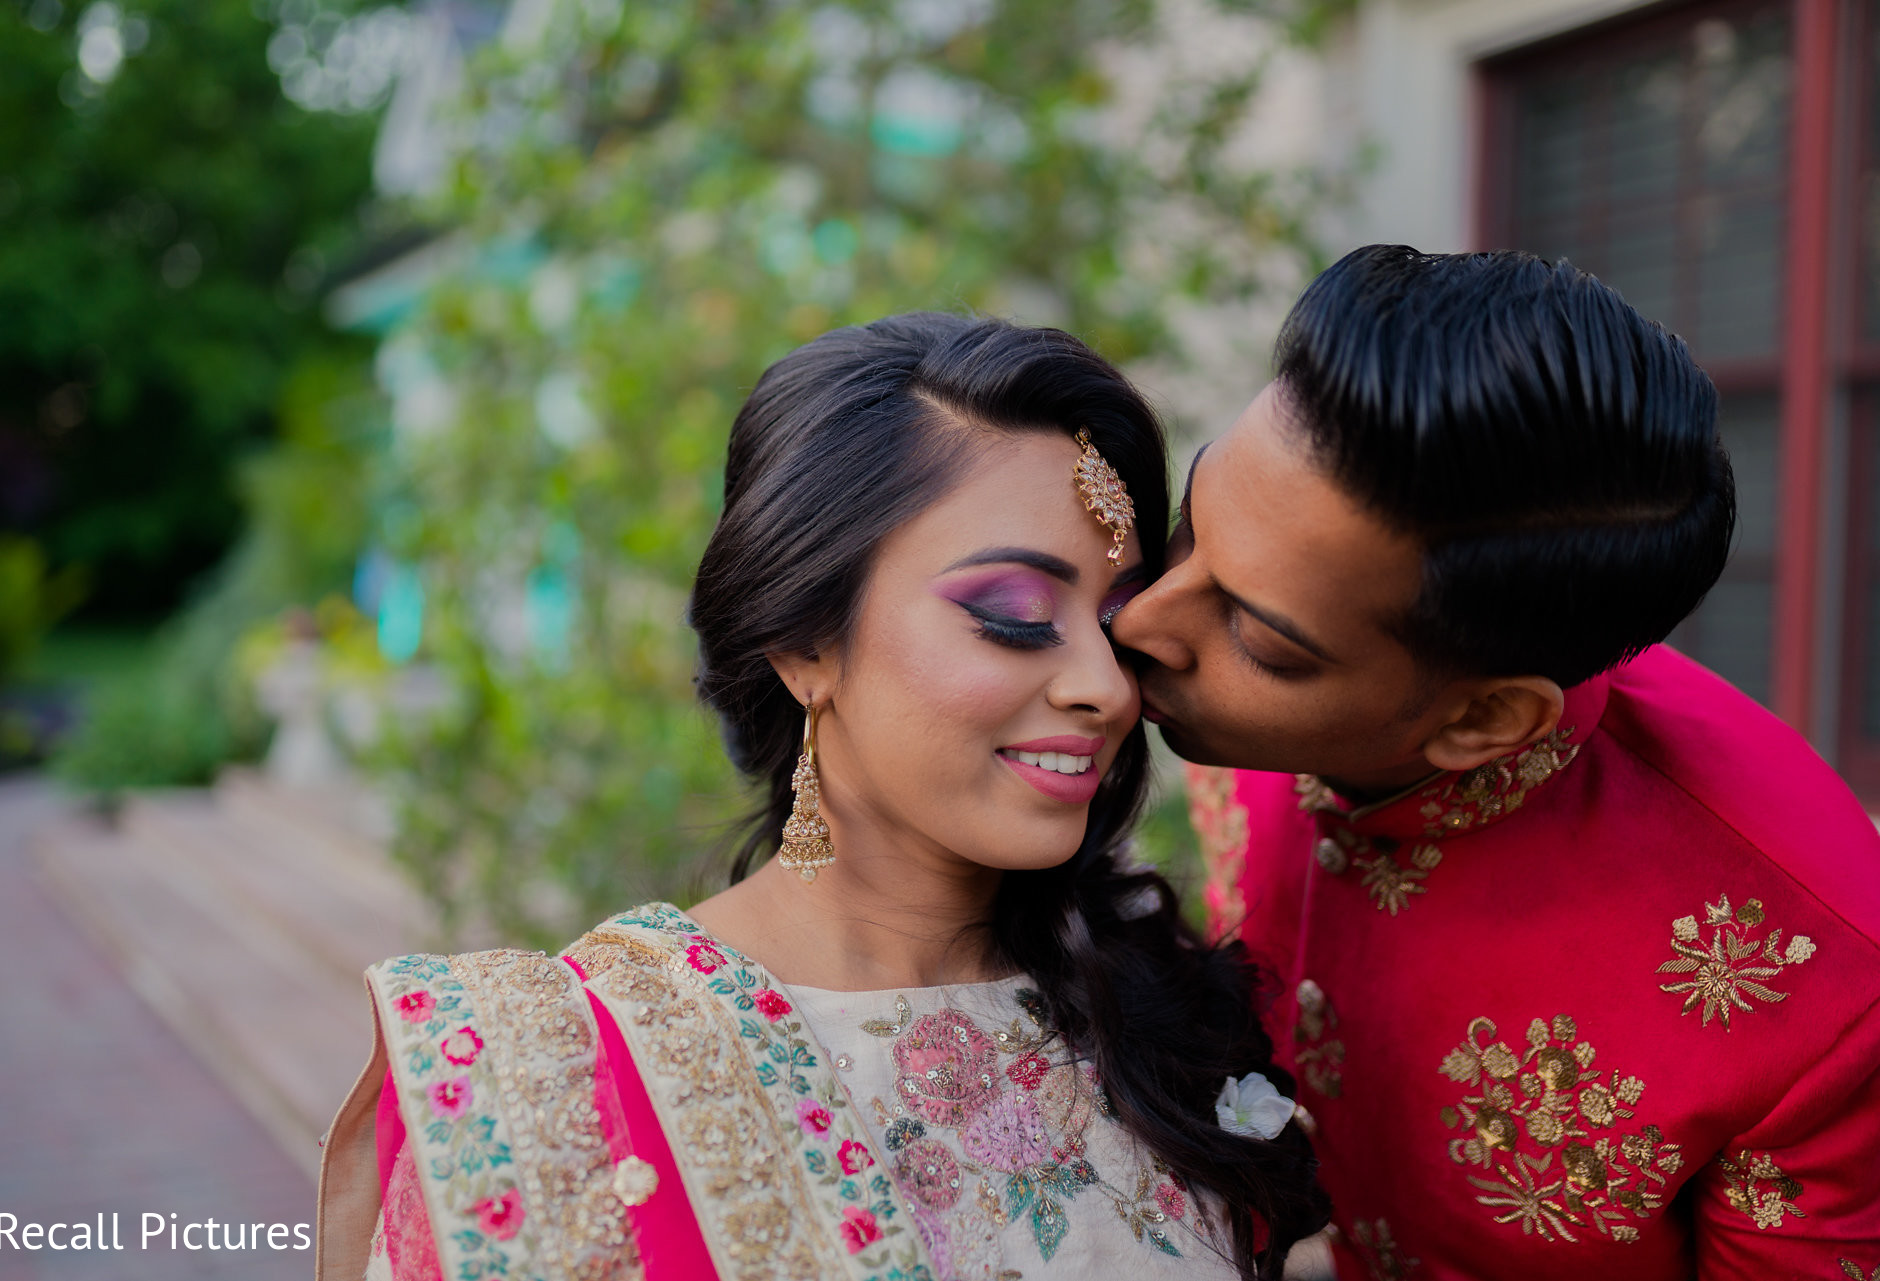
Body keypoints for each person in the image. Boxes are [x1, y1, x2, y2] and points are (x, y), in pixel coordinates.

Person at [316, 312, 1330, 1281]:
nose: (1105, 688)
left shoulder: (1160, 1022)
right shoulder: (558, 1068)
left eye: (1115, 621)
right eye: (1015, 615)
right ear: (805, 645)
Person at [1109, 245, 1880, 1281]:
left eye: (1266, 644)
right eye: (1190, 523)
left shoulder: (1826, 984)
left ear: (1484, 722)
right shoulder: (1222, 695)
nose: (1141, 621)